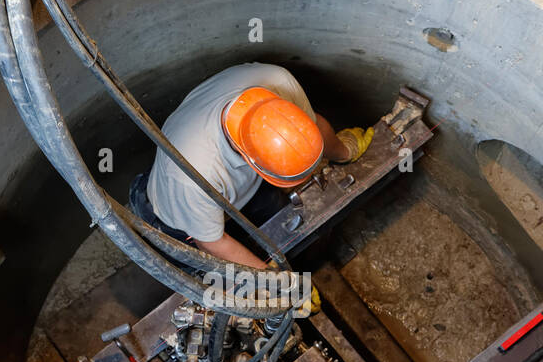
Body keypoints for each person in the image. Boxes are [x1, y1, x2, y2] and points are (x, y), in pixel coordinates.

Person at [129, 63, 373, 269]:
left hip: (241, 189)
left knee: (282, 222)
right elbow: (212, 243)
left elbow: (312, 125)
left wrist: (343, 150)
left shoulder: (278, 82)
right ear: (251, 160)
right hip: (176, 220)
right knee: (209, 277)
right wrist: (278, 285)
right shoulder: (190, 177)